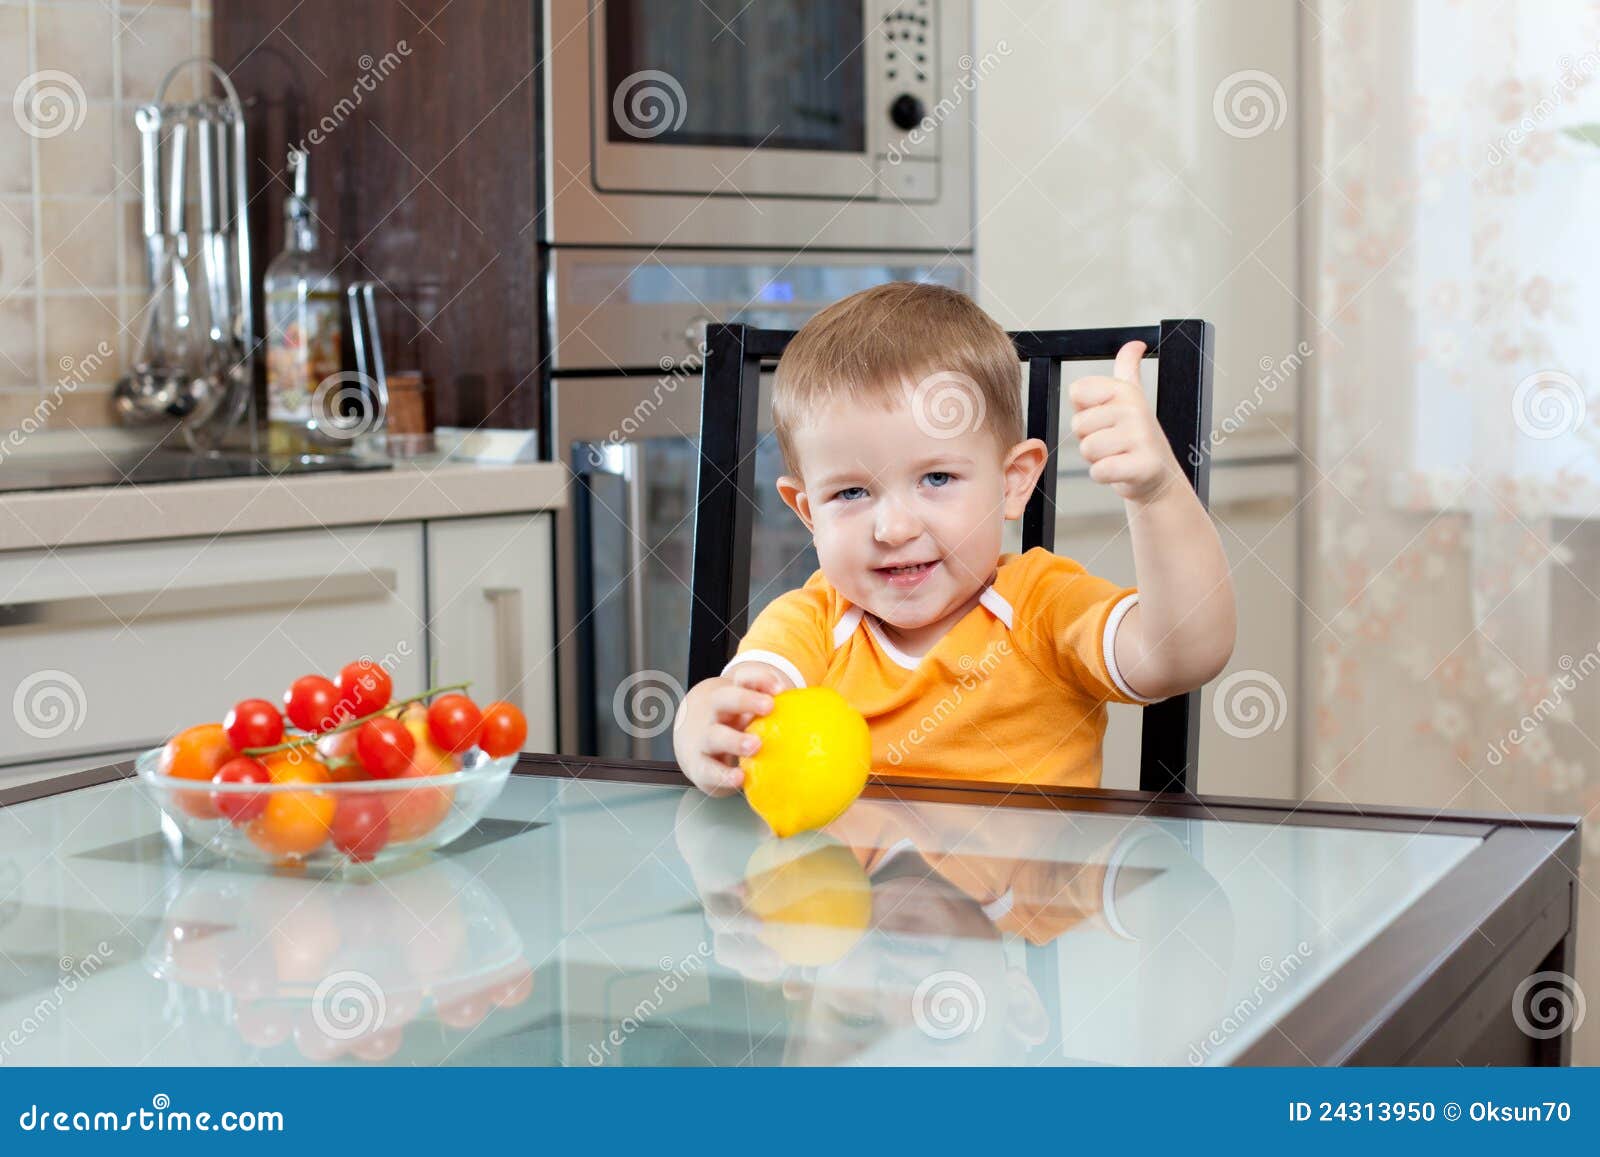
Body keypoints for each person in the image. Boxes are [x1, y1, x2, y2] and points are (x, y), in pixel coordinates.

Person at [672, 281, 1235, 793]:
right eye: (849, 494)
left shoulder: (1042, 605)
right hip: (854, 902)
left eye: (936, 478)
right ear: (807, 511)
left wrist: (1158, 494)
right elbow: (741, 701)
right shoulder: (813, 621)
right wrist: (701, 722)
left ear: (1014, 483)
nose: (894, 529)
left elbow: (1183, 655)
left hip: (1028, 904)